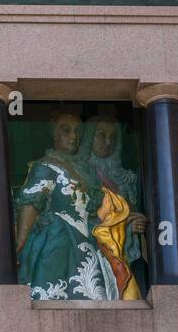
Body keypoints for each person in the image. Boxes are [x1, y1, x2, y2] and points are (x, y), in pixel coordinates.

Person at [15, 111, 118, 300]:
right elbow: (31, 203)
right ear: (54, 134)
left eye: (78, 131)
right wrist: (19, 243)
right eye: (66, 130)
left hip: (88, 242)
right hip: (57, 242)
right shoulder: (45, 166)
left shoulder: (84, 171)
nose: (73, 136)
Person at [81, 115, 146, 299]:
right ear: (89, 138)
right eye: (101, 135)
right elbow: (82, 220)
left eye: (113, 137)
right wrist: (126, 225)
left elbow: (129, 212)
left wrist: (137, 221)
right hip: (93, 255)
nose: (108, 141)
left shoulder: (126, 178)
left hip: (126, 255)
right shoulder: (80, 175)